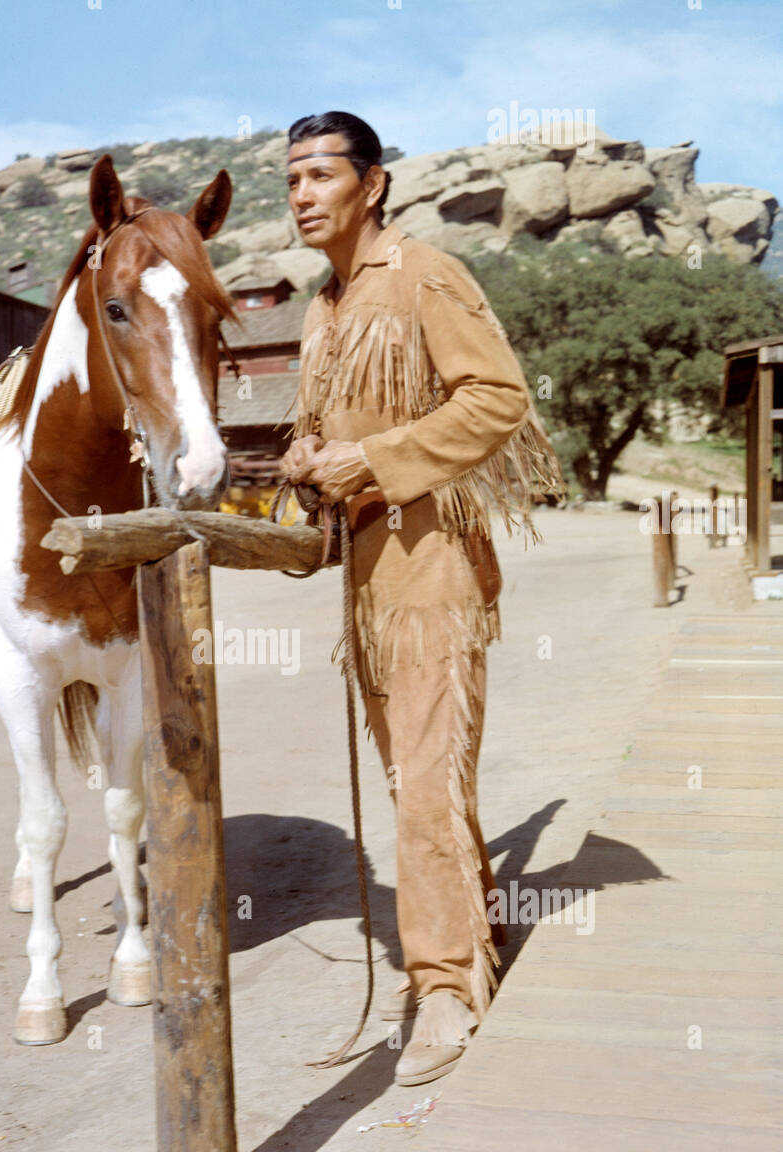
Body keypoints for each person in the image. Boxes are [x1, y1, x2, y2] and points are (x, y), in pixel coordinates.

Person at [280, 111, 565, 1085]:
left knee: (428, 780)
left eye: (321, 175)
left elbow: (497, 397)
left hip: (435, 566)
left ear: (372, 184)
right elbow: (328, 428)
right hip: (365, 582)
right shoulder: (321, 308)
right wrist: (310, 459)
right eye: (292, 180)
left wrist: (375, 458)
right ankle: (474, 931)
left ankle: (444, 985)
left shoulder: (426, 275)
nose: (303, 194)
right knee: (413, 781)